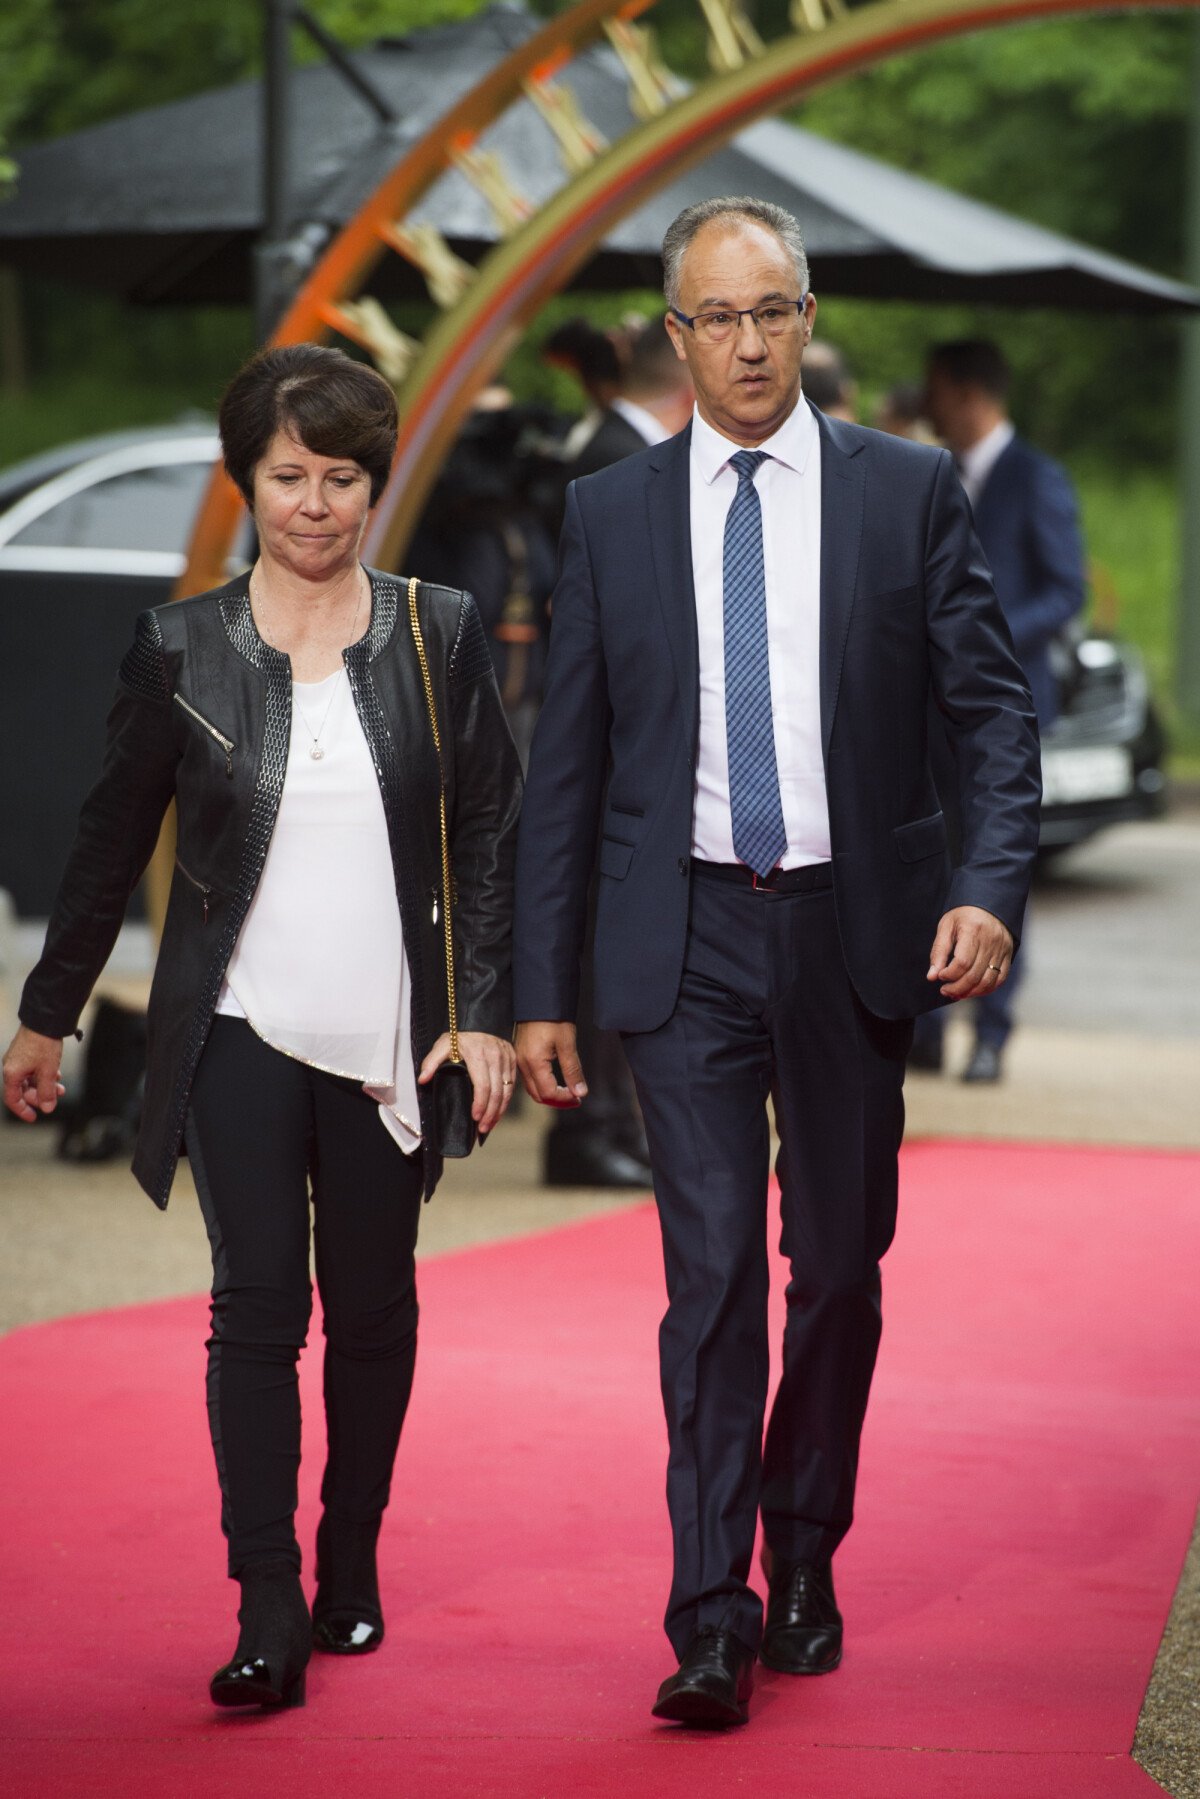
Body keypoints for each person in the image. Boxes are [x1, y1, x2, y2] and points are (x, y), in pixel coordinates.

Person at [513, 197, 1040, 1728]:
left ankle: (807, 1549)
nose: (747, 345)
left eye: (773, 313)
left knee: (838, 1270)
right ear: (673, 336)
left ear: (808, 320)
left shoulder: (907, 491)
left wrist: (990, 885)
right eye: (716, 319)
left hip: (851, 930)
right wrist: (540, 987)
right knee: (711, 1274)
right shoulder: (613, 510)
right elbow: (572, 764)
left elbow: (995, 711)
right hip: (679, 932)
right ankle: (709, 1608)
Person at [3, 343, 523, 1713]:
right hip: (235, 1017)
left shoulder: (442, 629)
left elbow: (487, 827)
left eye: (340, 476)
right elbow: (110, 840)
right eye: (288, 475)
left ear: (374, 482)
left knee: (373, 1307)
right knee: (253, 1307)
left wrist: (483, 1016)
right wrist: (45, 1012)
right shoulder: (179, 644)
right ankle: (268, 1594)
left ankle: (352, 1553)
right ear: (247, 483)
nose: (314, 502)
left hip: (388, 1030)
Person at [542, 317, 694, 1190]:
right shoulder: (605, 461)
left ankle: (613, 1120)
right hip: (605, 737)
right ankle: (588, 1125)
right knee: (600, 929)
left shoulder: (608, 449)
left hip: (630, 737)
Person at [917, 338, 1086, 1081]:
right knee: (924, 857)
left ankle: (992, 1030)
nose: (929, 407)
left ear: (966, 393)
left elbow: (1066, 589)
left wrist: (979, 640)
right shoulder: (930, 476)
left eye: (937, 392)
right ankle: (923, 1025)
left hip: (1008, 705)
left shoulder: (1037, 477)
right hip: (926, 715)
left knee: (998, 862)